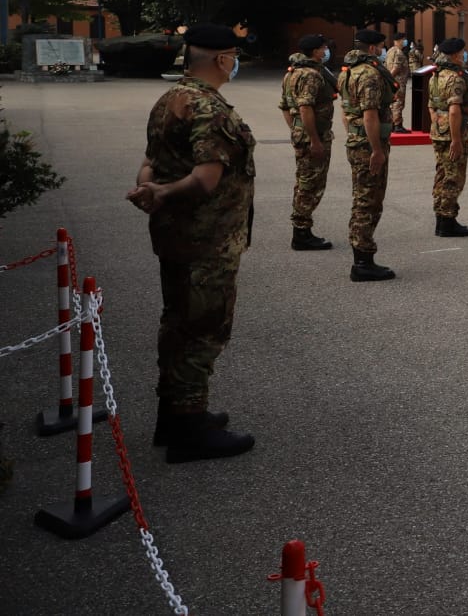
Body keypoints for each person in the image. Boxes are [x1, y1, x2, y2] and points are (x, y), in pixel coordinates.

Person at [126, 23, 256, 462]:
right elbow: (205, 180)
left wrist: (151, 190)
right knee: (204, 327)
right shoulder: (208, 108)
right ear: (222, 60)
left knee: (177, 320)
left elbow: (149, 162)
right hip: (208, 239)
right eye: (234, 56)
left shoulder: (169, 99)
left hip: (175, 235)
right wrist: (162, 193)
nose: (235, 63)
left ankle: (176, 414)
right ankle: (189, 430)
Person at [338, 29, 398, 282]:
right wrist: (375, 149)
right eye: (381, 47)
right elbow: (370, 114)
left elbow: (345, 109)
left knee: (363, 198)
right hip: (368, 145)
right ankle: (363, 262)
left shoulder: (347, 71)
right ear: (373, 48)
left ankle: (363, 258)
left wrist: (354, 135)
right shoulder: (370, 74)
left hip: (356, 140)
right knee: (368, 202)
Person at [278, 33, 336, 251]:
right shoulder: (311, 75)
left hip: (303, 134)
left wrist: (295, 129)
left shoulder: (292, 73)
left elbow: (284, 106)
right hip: (314, 137)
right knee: (310, 183)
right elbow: (305, 107)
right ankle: (301, 233)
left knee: (304, 181)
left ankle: (303, 230)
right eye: (323, 48)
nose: (326, 51)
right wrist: (314, 139)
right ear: (315, 51)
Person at [428, 37, 468, 237]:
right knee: (453, 177)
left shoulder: (436, 76)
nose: (464, 56)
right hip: (453, 134)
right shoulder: (455, 78)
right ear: (456, 55)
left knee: (442, 175)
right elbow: (455, 110)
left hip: (439, 131)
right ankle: (447, 221)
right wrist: (455, 139)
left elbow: (431, 105)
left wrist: (439, 125)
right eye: (462, 52)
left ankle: (442, 219)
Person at [385, 34, 413, 131]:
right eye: (404, 39)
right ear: (399, 40)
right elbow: (396, 68)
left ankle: (392, 123)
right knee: (398, 103)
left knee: (393, 103)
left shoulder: (390, 51)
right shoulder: (399, 53)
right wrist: (389, 78)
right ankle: (397, 124)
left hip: (393, 82)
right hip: (398, 82)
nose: (405, 41)